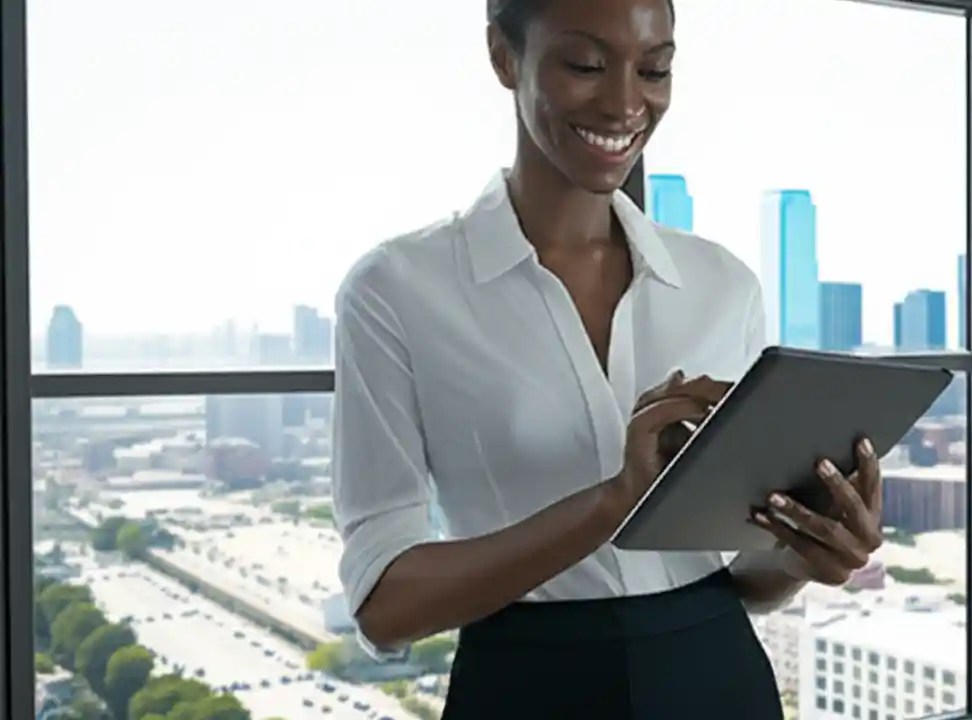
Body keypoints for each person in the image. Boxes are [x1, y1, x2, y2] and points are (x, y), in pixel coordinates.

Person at [331, 0, 884, 717]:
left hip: (718, 676)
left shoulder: (723, 286)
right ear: (504, 56)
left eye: (655, 70)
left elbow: (745, 581)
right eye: (586, 65)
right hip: (525, 687)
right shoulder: (398, 291)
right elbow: (384, 605)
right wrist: (614, 501)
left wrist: (810, 553)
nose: (627, 103)